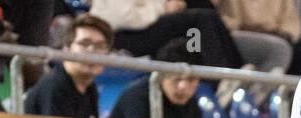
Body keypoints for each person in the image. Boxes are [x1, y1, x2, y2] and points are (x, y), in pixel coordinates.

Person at [89, 0, 243, 68]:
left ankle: (239, 69)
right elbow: (126, 18)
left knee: (208, 13)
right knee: (200, 19)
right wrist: (164, 8)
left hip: (143, 27)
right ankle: (220, 78)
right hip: (122, 37)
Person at [23, 13, 111, 118]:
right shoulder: (54, 87)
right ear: (67, 48)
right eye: (84, 43)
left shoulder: (90, 88)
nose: (92, 51)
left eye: (100, 46)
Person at [106, 38, 203, 118]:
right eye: (177, 79)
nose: (183, 86)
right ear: (161, 76)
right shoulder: (136, 98)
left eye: (191, 80)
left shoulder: (190, 101)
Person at [210, 0, 301, 74]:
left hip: (274, 35)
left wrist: (280, 33)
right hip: (233, 33)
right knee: (279, 49)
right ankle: (257, 94)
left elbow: (292, 24)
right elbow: (207, 11)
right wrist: (238, 26)